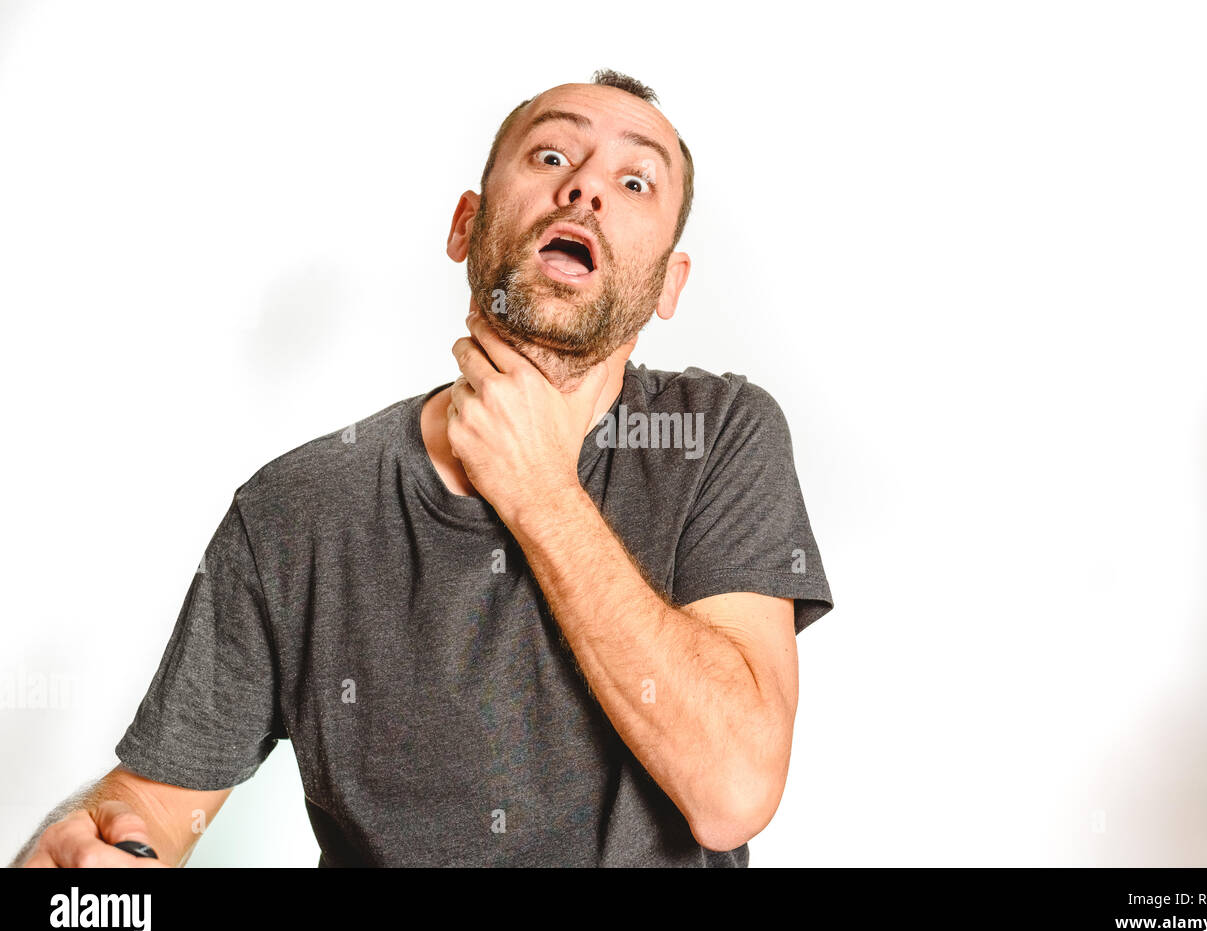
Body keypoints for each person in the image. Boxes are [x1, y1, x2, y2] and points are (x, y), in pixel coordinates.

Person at [13, 69, 833, 868]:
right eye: (552, 155)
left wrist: (540, 490)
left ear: (668, 284)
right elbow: (156, 806)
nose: (585, 187)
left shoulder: (716, 435)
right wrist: (94, 848)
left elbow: (733, 789)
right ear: (465, 225)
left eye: (634, 181)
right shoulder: (297, 507)